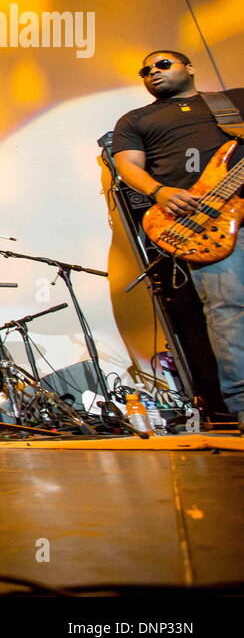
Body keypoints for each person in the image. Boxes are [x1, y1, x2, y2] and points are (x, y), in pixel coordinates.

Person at [111, 50, 244, 432]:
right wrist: (160, 192)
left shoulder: (233, 102)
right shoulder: (137, 119)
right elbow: (127, 166)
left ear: (190, 68)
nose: (153, 71)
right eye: (145, 70)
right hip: (204, 221)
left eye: (163, 64)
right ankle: (241, 402)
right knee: (228, 308)